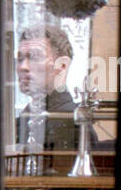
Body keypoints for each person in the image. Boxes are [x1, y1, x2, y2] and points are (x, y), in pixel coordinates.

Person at [14, 25, 76, 156]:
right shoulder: (24, 120)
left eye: (35, 57)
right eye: (20, 59)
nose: (22, 67)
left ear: (62, 66)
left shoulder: (73, 124)